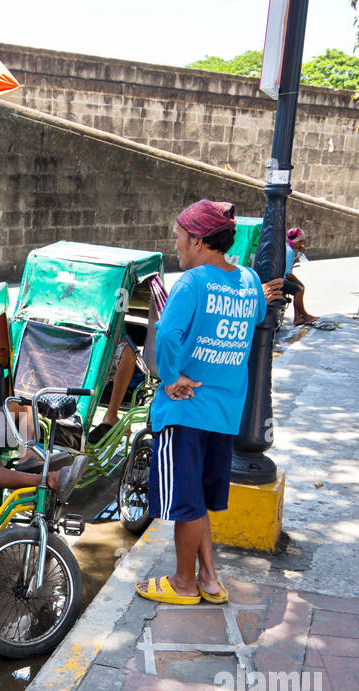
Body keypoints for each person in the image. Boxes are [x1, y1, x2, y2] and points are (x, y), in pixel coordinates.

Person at [136, 200, 284, 605]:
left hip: (185, 408)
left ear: (199, 240)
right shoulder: (249, 280)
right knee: (198, 497)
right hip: (224, 414)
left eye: (180, 238)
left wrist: (171, 378)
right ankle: (209, 579)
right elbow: (255, 317)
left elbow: (166, 335)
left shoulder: (192, 282)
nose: (177, 246)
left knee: (184, 503)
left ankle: (184, 583)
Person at [284, 226, 318, 327]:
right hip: (282, 279)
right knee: (299, 289)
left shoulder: (287, 247)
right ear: (296, 241)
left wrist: (299, 254)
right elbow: (288, 274)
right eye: (301, 241)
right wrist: (300, 283)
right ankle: (305, 315)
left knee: (298, 288)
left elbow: (289, 264)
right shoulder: (289, 252)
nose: (302, 244)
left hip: (281, 277)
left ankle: (297, 317)